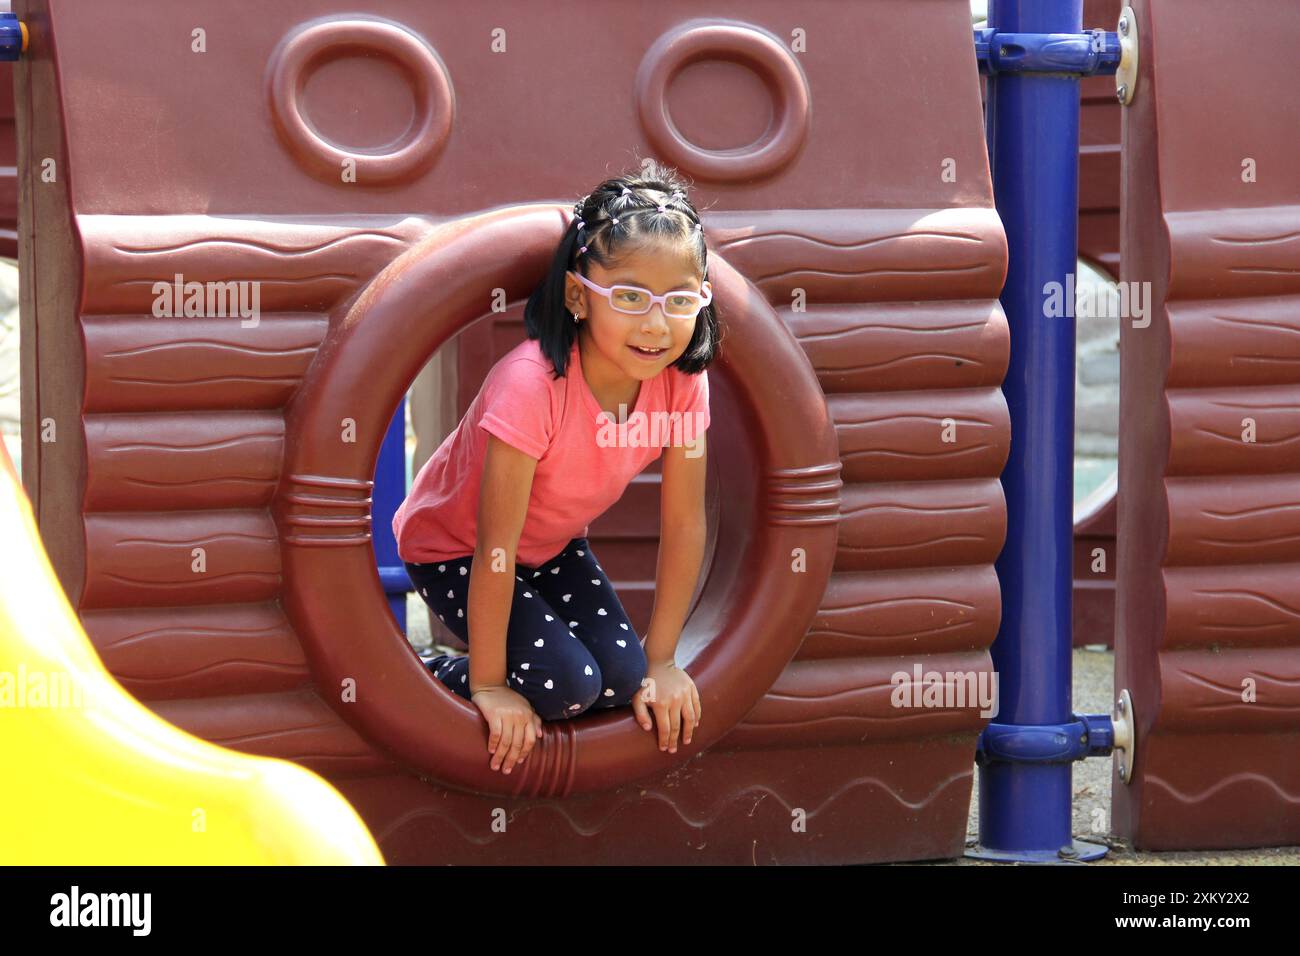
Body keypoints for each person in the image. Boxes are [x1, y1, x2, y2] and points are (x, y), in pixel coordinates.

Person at [394, 161, 719, 776]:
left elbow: (684, 525)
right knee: (565, 684)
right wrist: (488, 686)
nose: (656, 323)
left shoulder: (682, 383)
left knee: (622, 681)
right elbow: (494, 546)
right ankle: (432, 670)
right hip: (456, 549)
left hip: (550, 547)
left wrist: (665, 661)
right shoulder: (533, 385)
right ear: (578, 295)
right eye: (629, 296)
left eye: (680, 299)